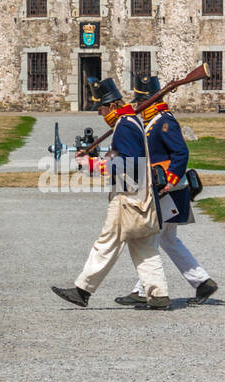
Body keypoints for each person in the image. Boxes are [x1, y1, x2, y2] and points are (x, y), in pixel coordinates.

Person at [52, 77, 169, 310]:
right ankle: (158, 295)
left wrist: (93, 165)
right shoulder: (128, 122)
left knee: (106, 243)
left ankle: (82, 290)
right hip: (139, 196)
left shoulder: (125, 126)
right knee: (144, 249)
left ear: (113, 105)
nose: (100, 113)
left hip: (128, 198)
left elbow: (130, 163)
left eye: (102, 108)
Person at [116, 74, 219, 306]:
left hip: (171, 190)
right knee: (167, 240)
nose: (139, 105)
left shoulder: (165, 121)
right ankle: (202, 283)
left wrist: (170, 180)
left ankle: (144, 291)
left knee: (151, 237)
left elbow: (180, 153)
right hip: (164, 189)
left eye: (142, 100)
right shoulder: (152, 122)